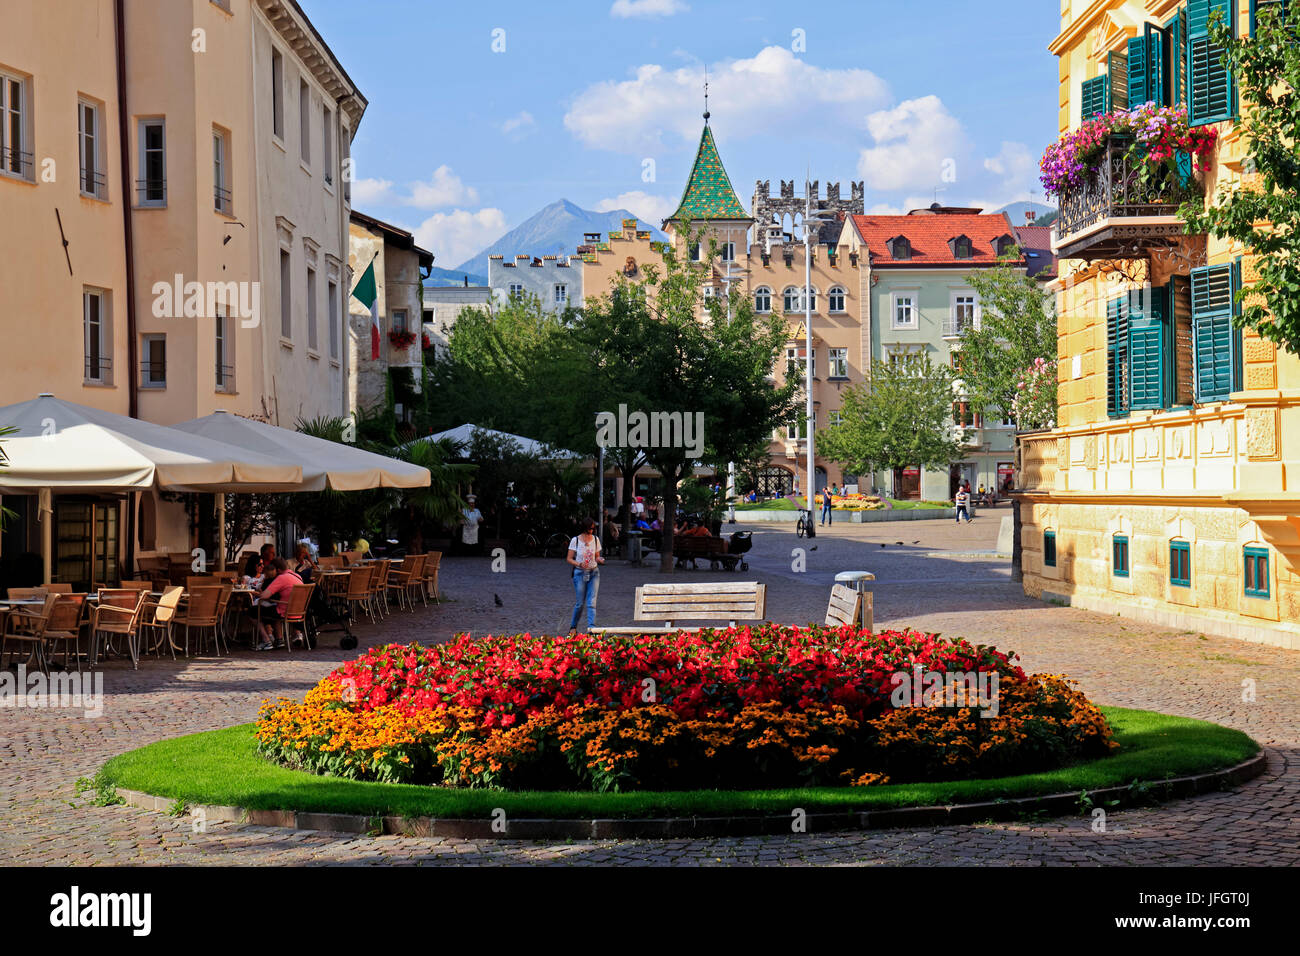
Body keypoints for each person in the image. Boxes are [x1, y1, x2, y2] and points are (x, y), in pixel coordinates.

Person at [254, 557, 303, 650]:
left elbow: (264, 596)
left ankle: (266, 640)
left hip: (284, 612)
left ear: (277, 570)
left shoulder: (281, 578)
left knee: (252, 611)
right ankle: (279, 640)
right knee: (274, 607)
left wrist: (257, 593)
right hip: (299, 612)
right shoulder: (297, 576)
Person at [566, 517, 604, 633]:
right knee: (580, 603)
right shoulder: (575, 540)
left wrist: (599, 559)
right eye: (589, 529)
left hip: (594, 572)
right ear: (584, 528)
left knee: (592, 602)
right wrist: (579, 563)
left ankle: (591, 628)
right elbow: (569, 558)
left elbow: (597, 556)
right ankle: (573, 627)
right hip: (580, 572)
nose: (591, 531)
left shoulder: (596, 539)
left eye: (593, 529)